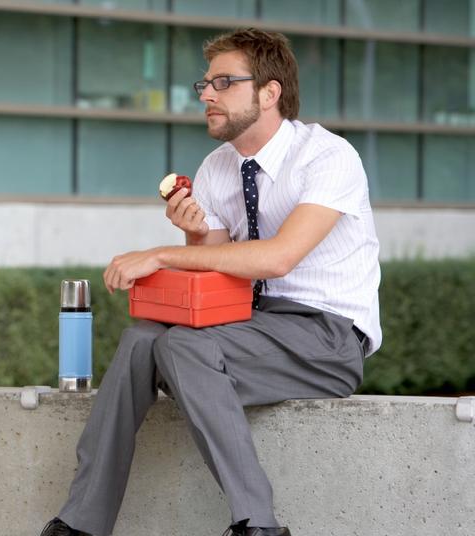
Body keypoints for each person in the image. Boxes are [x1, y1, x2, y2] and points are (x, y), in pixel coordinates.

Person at [39, 27, 381, 536]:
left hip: (326, 338)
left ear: (269, 92)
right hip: (247, 328)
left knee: (183, 347)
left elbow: (279, 258)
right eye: (205, 84)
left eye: (224, 83)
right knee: (141, 340)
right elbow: (219, 272)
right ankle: (82, 522)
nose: (206, 95)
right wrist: (196, 237)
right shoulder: (217, 168)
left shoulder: (328, 157)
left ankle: (258, 525)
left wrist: (161, 254)